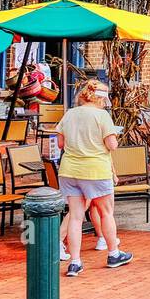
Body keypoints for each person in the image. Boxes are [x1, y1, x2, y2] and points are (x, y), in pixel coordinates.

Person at [57, 79, 131, 276]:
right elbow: (112, 145)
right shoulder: (102, 116)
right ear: (101, 98)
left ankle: (75, 262)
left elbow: (61, 143)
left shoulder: (69, 114)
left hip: (70, 170)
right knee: (106, 212)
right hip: (96, 170)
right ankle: (114, 253)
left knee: (75, 216)